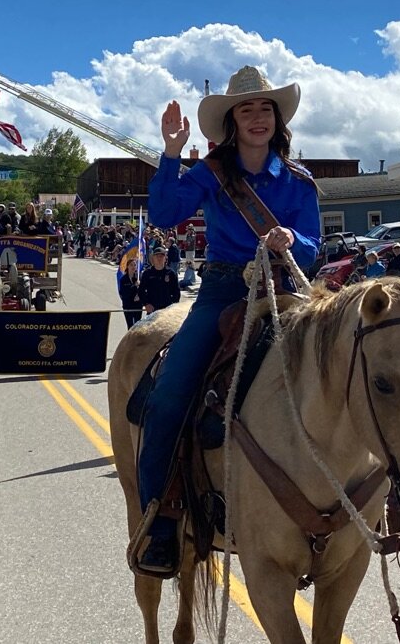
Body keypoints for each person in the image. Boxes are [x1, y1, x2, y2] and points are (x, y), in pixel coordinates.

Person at [132, 65, 320, 576]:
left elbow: (314, 245)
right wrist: (171, 153)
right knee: (169, 397)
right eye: (246, 109)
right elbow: (166, 215)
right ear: (232, 120)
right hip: (222, 293)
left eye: (265, 108)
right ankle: (161, 522)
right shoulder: (210, 174)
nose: (257, 117)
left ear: (277, 119)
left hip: (284, 290)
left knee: (350, 373)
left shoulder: (300, 184)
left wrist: (291, 242)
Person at [138, 246, 181, 314]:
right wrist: (146, 304)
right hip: (152, 309)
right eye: (157, 256)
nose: (159, 258)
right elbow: (141, 291)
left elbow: (176, 291)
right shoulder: (147, 273)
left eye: (161, 256)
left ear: (165, 258)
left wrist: (173, 305)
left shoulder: (171, 273)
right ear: (153, 258)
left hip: (167, 310)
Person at [118, 259, 142, 329]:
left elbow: (144, 290)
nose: (133, 267)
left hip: (137, 306)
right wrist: (134, 285)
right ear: (127, 266)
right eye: (131, 265)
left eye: (135, 265)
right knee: (130, 326)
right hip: (128, 306)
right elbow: (124, 293)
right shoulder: (123, 280)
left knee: (137, 326)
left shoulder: (139, 277)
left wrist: (139, 296)